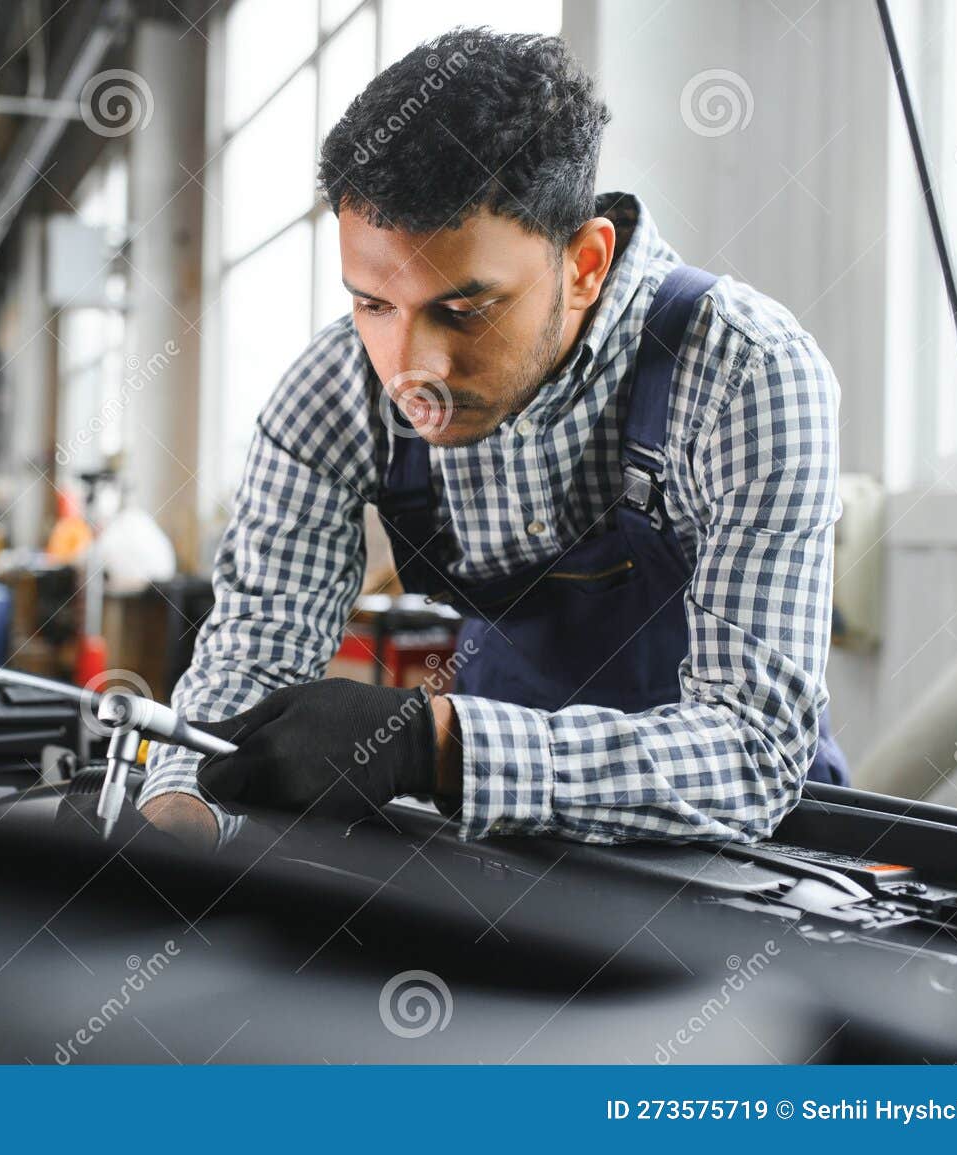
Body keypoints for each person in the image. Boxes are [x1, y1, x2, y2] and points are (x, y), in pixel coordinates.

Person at [140, 28, 846, 851]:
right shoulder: (332, 394)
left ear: (584, 262)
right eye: (373, 305)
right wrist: (179, 826)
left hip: (742, 864)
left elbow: (752, 753)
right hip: (499, 846)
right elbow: (249, 668)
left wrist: (432, 745)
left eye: (464, 310)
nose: (412, 370)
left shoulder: (745, 376)